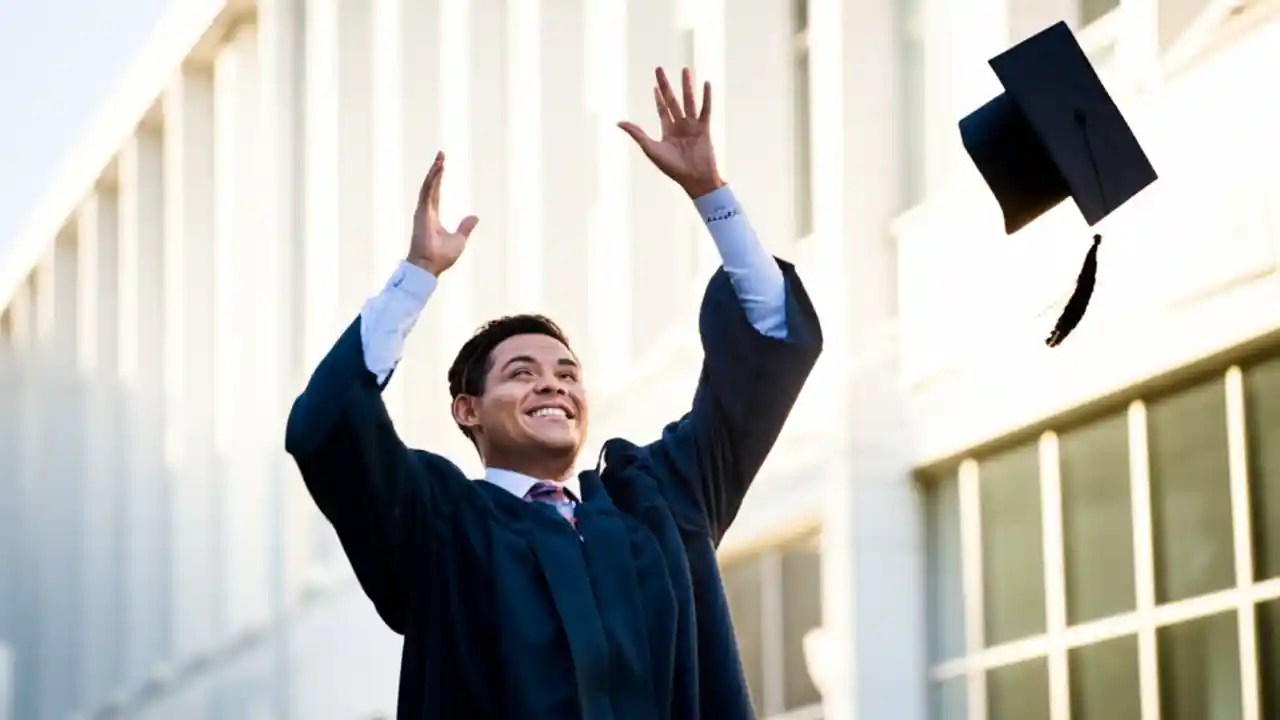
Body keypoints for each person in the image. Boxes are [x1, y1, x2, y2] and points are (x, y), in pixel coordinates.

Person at [285, 66, 823, 719]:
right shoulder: (441, 527)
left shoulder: (659, 500)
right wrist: (415, 277)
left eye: (568, 373)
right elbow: (327, 425)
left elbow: (768, 340)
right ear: (467, 410)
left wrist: (712, 195)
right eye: (521, 372)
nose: (552, 383)